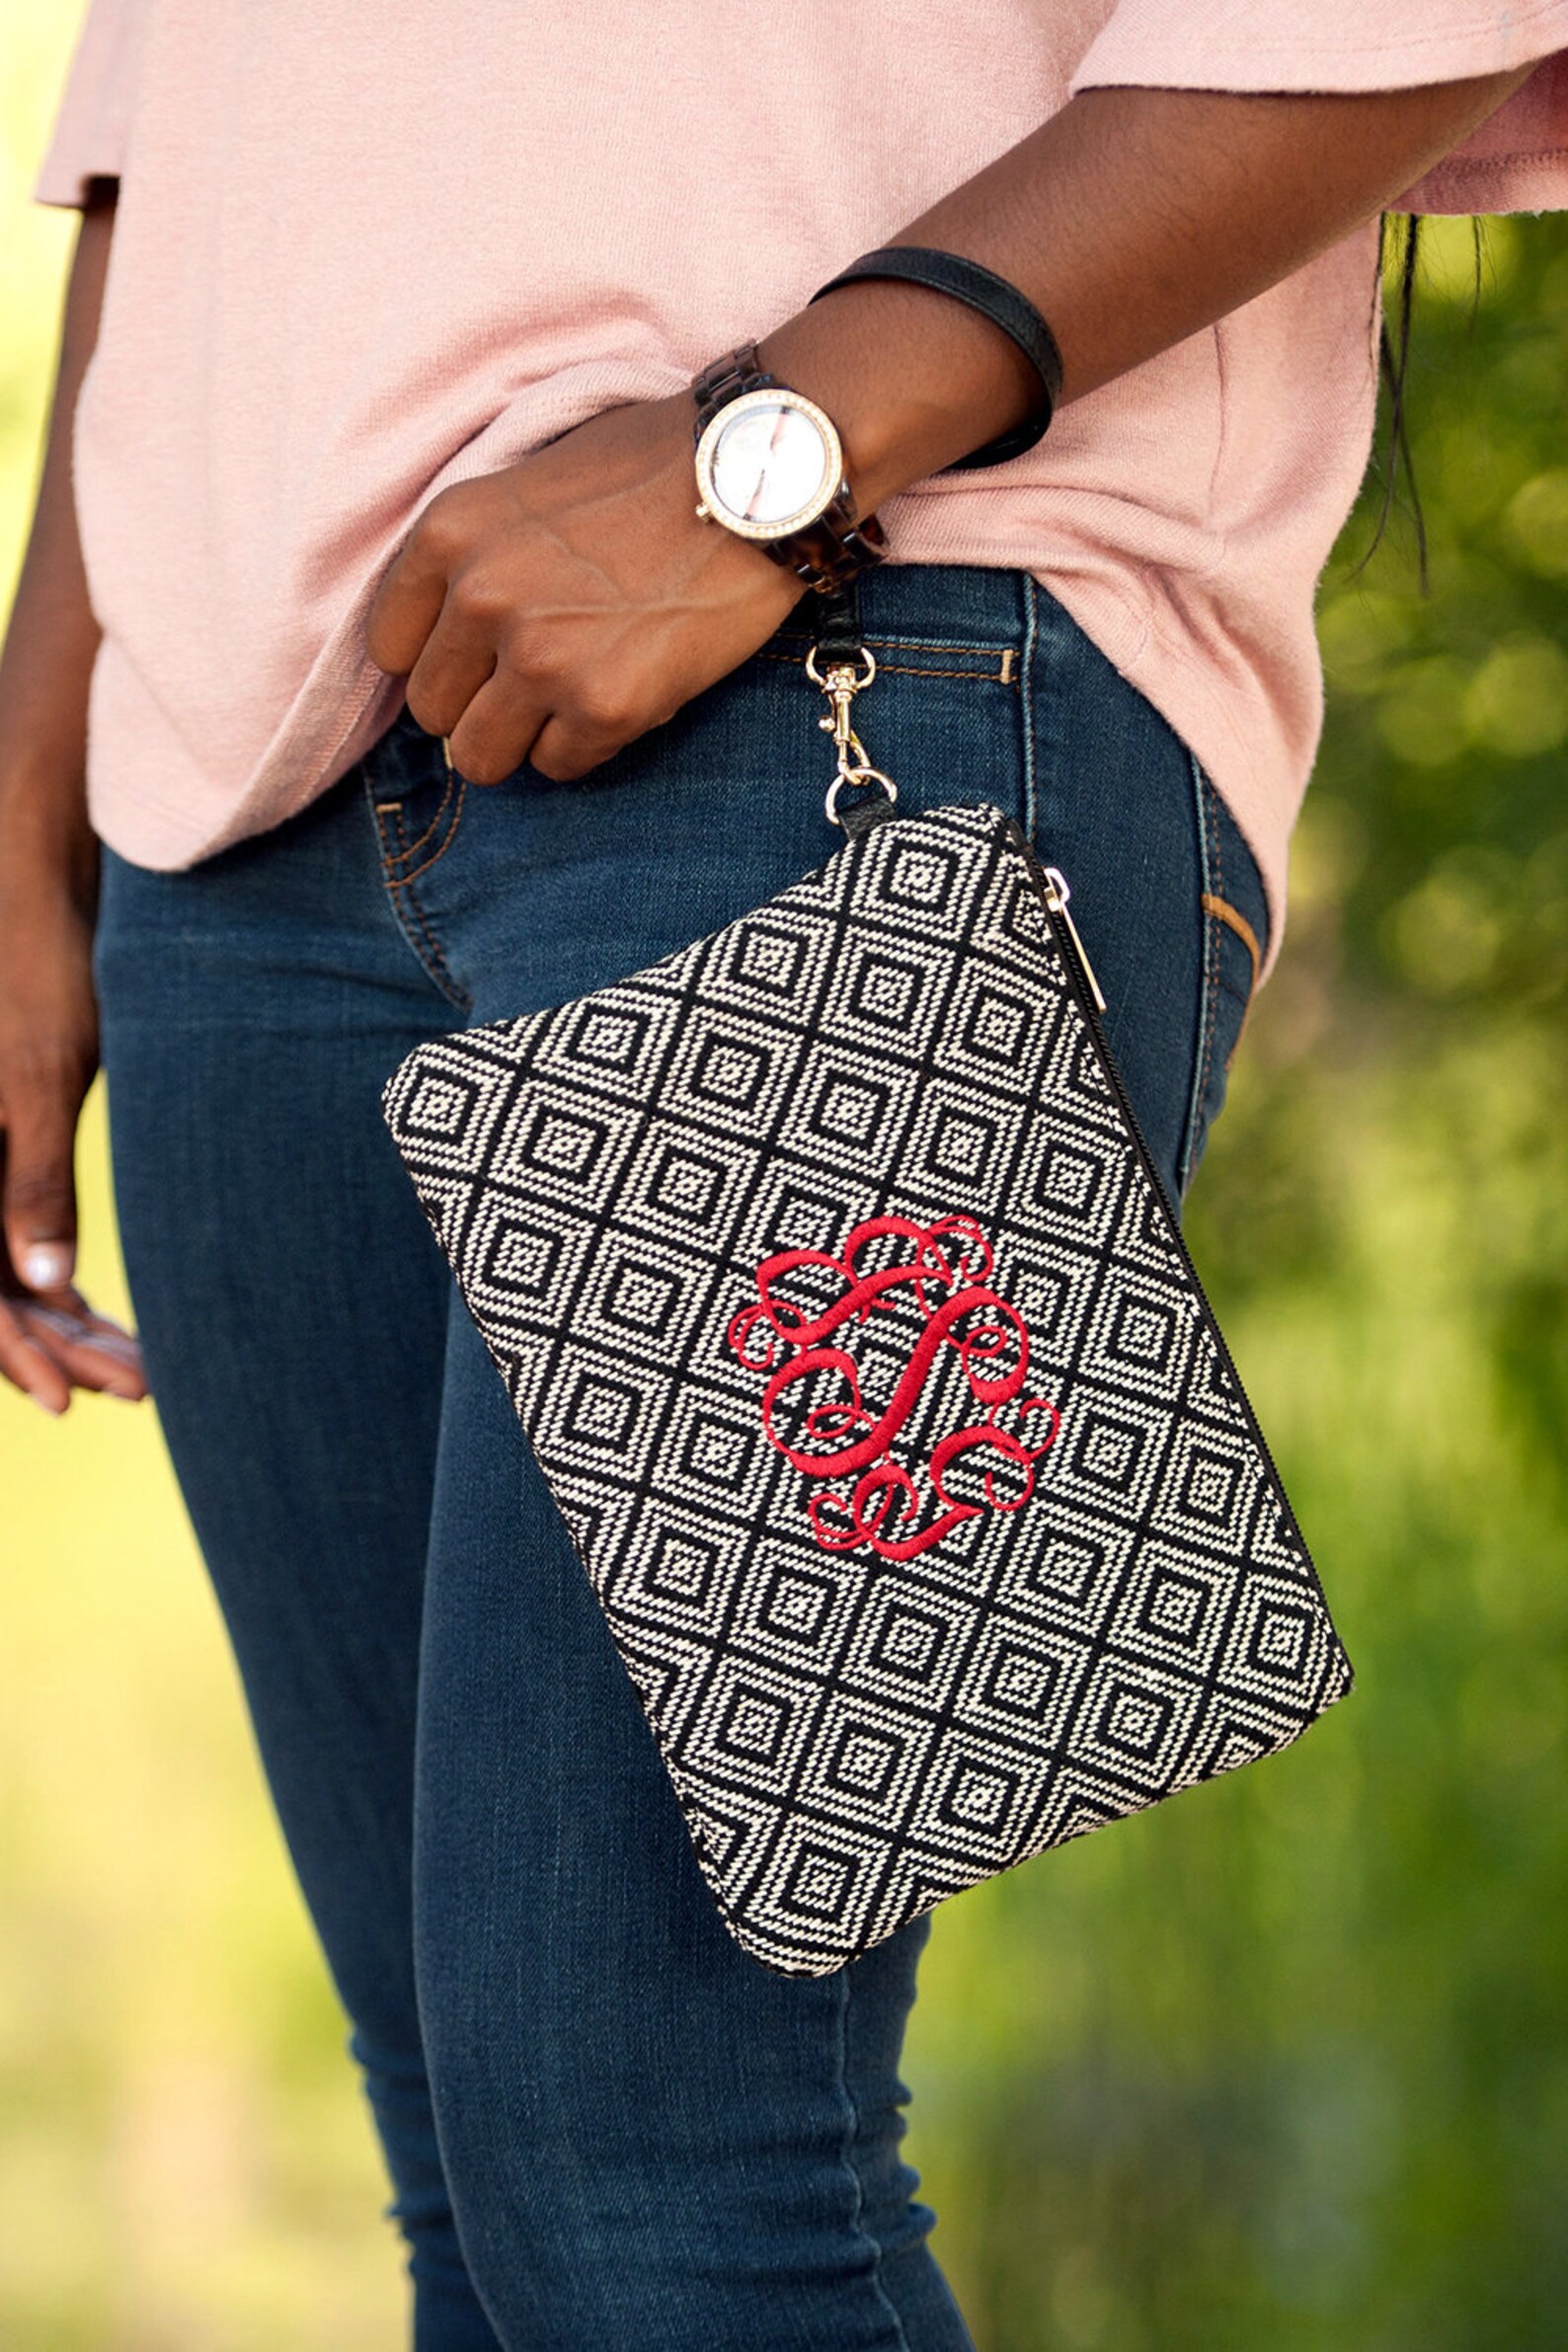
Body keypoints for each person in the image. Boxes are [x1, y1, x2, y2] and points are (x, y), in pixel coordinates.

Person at [2, 6, 1565, 2345]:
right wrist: (27, 832)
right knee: (482, 2187)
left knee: (658, 2172)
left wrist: (771, 446)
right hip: (227, 802)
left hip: (850, 668)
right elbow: (180, 159)